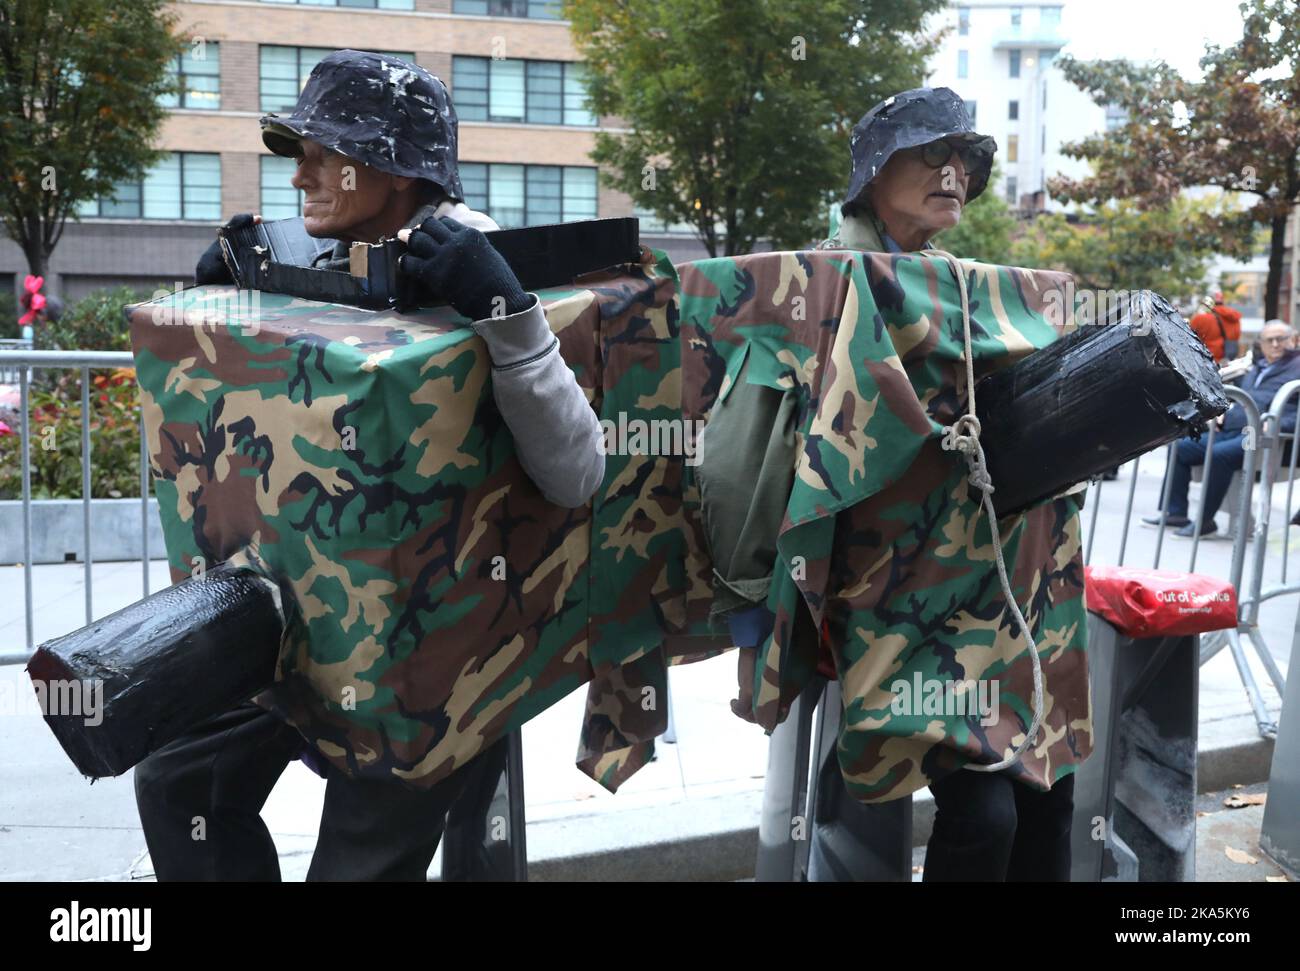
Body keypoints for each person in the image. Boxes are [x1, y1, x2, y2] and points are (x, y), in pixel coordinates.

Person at [137, 50, 605, 881]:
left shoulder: (489, 266)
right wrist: (215, 323)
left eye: (324, 154)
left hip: (434, 644)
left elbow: (578, 474)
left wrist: (508, 321)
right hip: (293, 622)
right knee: (181, 777)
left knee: (361, 857)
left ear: (391, 167)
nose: (299, 177)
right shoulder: (307, 256)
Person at [698, 86, 1080, 881]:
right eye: (931, 153)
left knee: (1052, 789)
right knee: (988, 811)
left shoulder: (974, 291)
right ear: (874, 173)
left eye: (966, 159)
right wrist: (748, 604)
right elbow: (740, 460)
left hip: (984, 593)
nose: (954, 172)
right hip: (877, 600)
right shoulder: (819, 285)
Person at [1144, 318, 1300, 538]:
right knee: (1181, 448)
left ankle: (1205, 522)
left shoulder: (1296, 368)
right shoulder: (1258, 366)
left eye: (1280, 339)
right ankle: (1176, 512)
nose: (1275, 344)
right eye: (1269, 340)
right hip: (1233, 430)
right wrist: (1223, 415)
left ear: (1292, 340)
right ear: (1261, 343)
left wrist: (1275, 424)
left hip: (1264, 436)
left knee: (1219, 456)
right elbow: (1243, 399)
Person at [1189, 291, 1243, 363]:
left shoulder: (1200, 318)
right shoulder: (1234, 318)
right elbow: (1236, 336)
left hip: (1207, 359)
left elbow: (1189, 337)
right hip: (1227, 359)